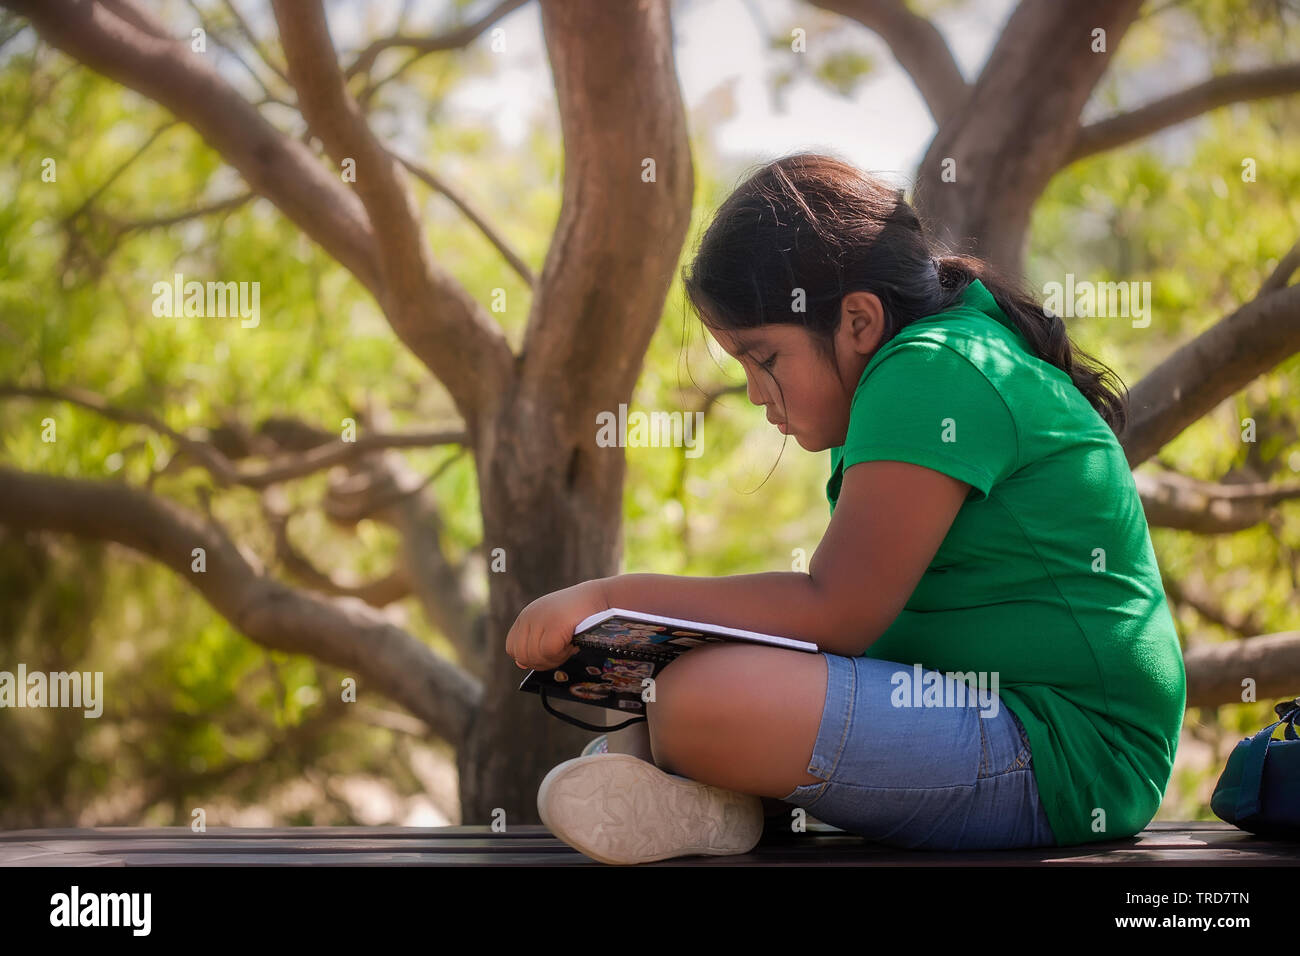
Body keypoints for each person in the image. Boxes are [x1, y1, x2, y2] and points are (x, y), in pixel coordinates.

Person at [505, 151, 1186, 866]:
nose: (755, 393)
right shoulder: (910, 373)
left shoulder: (933, 369)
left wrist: (612, 598)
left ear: (858, 320)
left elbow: (837, 612)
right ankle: (712, 803)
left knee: (696, 701)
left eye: (763, 358)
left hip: (1068, 751)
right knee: (659, 710)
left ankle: (704, 774)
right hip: (987, 721)